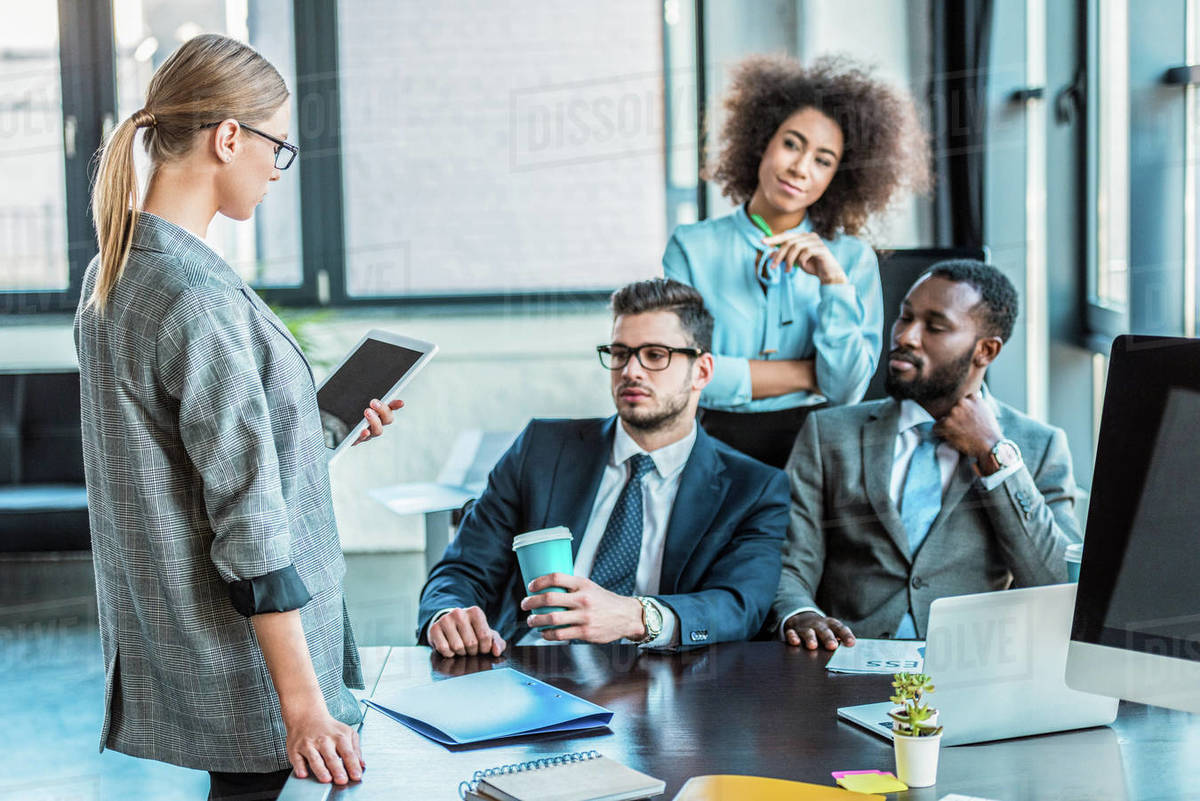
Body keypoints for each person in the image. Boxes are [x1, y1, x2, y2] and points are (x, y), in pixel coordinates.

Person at [75, 34, 402, 801]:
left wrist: (326, 427)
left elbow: (195, 461)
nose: (275, 170)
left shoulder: (117, 269)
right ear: (229, 137)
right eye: (277, 148)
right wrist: (304, 708)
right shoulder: (195, 298)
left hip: (195, 642)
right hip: (251, 656)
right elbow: (249, 525)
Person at [417, 279, 788, 656]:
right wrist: (447, 615)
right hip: (532, 669)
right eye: (620, 352)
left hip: (667, 683)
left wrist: (637, 616)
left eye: (655, 355)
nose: (631, 371)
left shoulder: (753, 487)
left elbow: (741, 605)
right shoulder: (541, 449)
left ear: (702, 371)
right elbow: (461, 570)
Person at [772, 260, 1082, 649]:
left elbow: (1058, 584)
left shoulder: (1037, 447)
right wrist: (800, 613)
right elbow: (790, 561)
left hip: (973, 673)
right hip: (846, 663)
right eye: (904, 317)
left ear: (985, 351)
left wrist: (994, 456)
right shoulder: (830, 434)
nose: (906, 336)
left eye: (934, 327)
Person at [663, 54, 931, 468]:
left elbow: (845, 390)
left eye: (823, 160)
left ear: (838, 176)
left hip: (816, 456)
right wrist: (808, 376)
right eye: (791, 143)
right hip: (710, 451)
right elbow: (682, 378)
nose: (801, 168)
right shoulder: (691, 247)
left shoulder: (851, 260)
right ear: (761, 141)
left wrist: (833, 285)